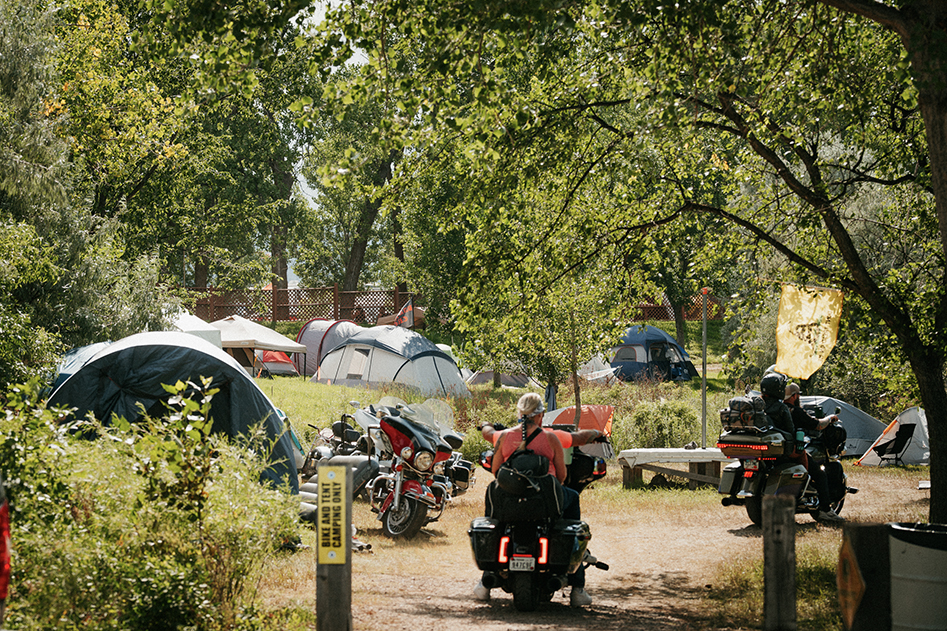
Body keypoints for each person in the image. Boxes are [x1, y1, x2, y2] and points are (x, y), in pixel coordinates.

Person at [473, 392, 593, 607]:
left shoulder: (505, 437)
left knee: (495, 522)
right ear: (541, 415)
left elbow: (496, 471)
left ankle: (484, 585)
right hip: (544, 502)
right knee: (572, 502)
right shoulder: (550, 438)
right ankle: (578, 588)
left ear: (520, 413)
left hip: (510, 501)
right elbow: (562, 476)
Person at [784, 382, 845, 523]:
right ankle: (825, 510)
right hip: (792, 449)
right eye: (798, 395)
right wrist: (830, 418)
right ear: (794, 396)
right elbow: (817, 425)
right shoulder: (796, 411)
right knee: (820, 474)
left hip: (779, 451)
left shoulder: (777, 408)